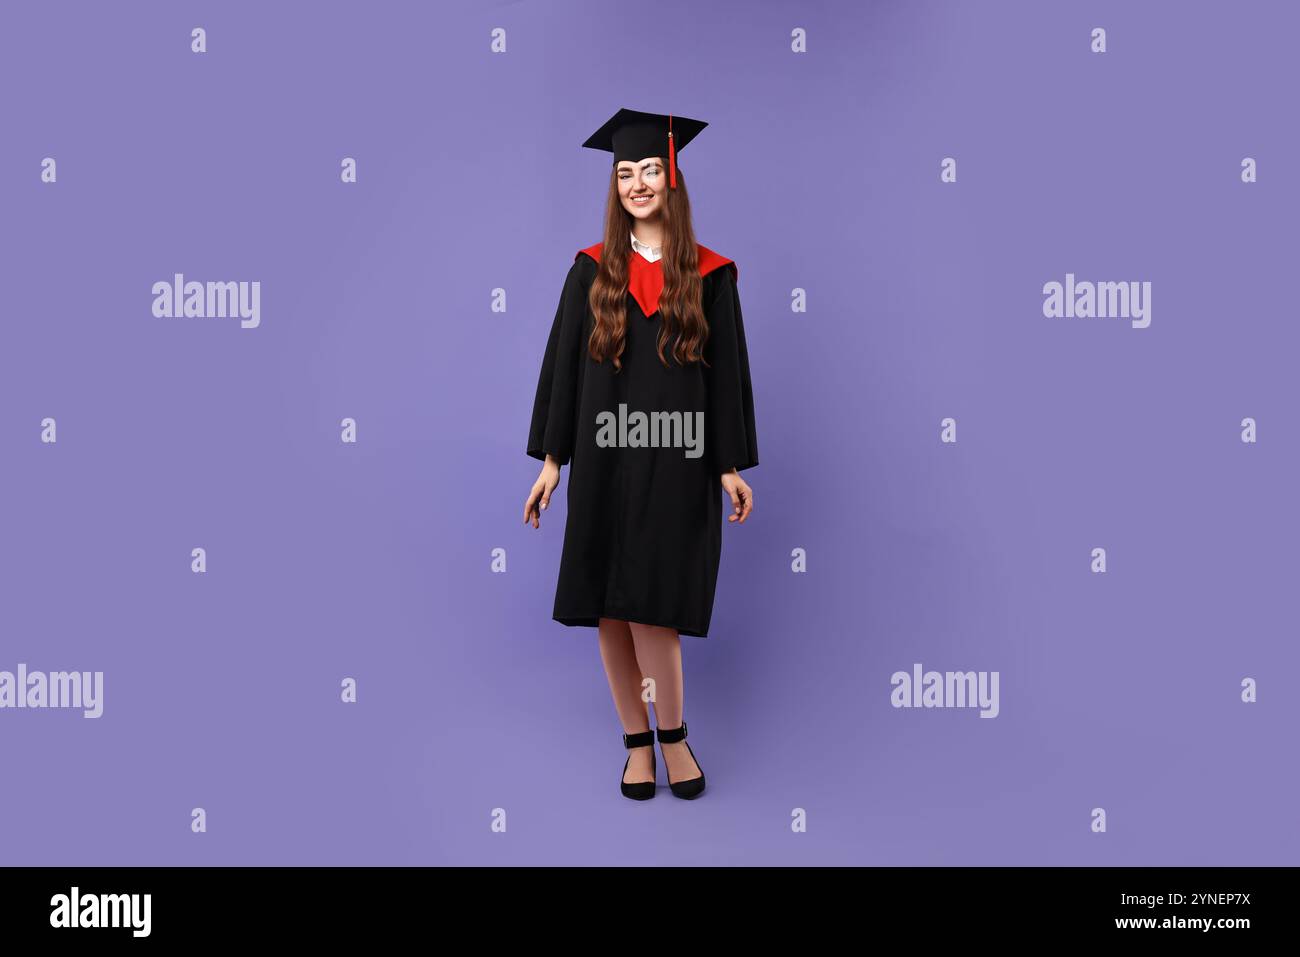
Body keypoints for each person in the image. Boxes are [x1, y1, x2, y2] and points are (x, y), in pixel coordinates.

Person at [524, 108, 758, 801]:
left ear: (673, 178)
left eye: (649, 169)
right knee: (611, 605)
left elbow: (727, 380)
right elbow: (563, 370)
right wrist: (551, 462)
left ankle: (675, 735)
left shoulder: (710, 277)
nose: (637, 183)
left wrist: (727, 465)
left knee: (654, 603)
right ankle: (636, 742)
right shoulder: (591, 272)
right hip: (605, 459)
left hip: (677, 462)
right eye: (625, 173)